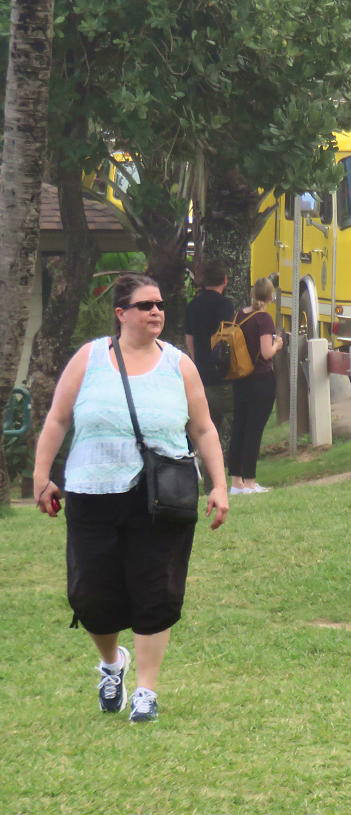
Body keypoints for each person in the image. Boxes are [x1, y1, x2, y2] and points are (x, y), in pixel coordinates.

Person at [32, 273, 230, 724]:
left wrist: (219, 485)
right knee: (91, 594)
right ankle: (111, 664)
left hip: (160, 495)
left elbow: (203, 429)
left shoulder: (179, 365)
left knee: (155, 587)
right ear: (122, 314)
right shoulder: (90, 359)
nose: (156, 311)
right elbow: (58, 420)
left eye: (159, 304)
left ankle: (146, 690)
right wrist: (42, 478)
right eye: (145, 305)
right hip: (91, 490)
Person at [226, 277, 283, 494]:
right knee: (254, 430)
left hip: (240, 378)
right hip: (260, 378)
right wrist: (277, 344)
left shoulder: (239, 315)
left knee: (239, 427)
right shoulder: (264, 319)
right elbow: (266, 352)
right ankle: (250, 481)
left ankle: (236, 481)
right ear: (270, 296)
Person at [183, 262, 235, 451]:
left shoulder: (192, 306)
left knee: (207, 426)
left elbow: (189, 339)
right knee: (233, 416)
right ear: (225, 281)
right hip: (223, 371)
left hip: (202, 372)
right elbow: (229, 336)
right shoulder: (225, 305)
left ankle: (209, 471)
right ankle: (232, 463)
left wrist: (196, 362)